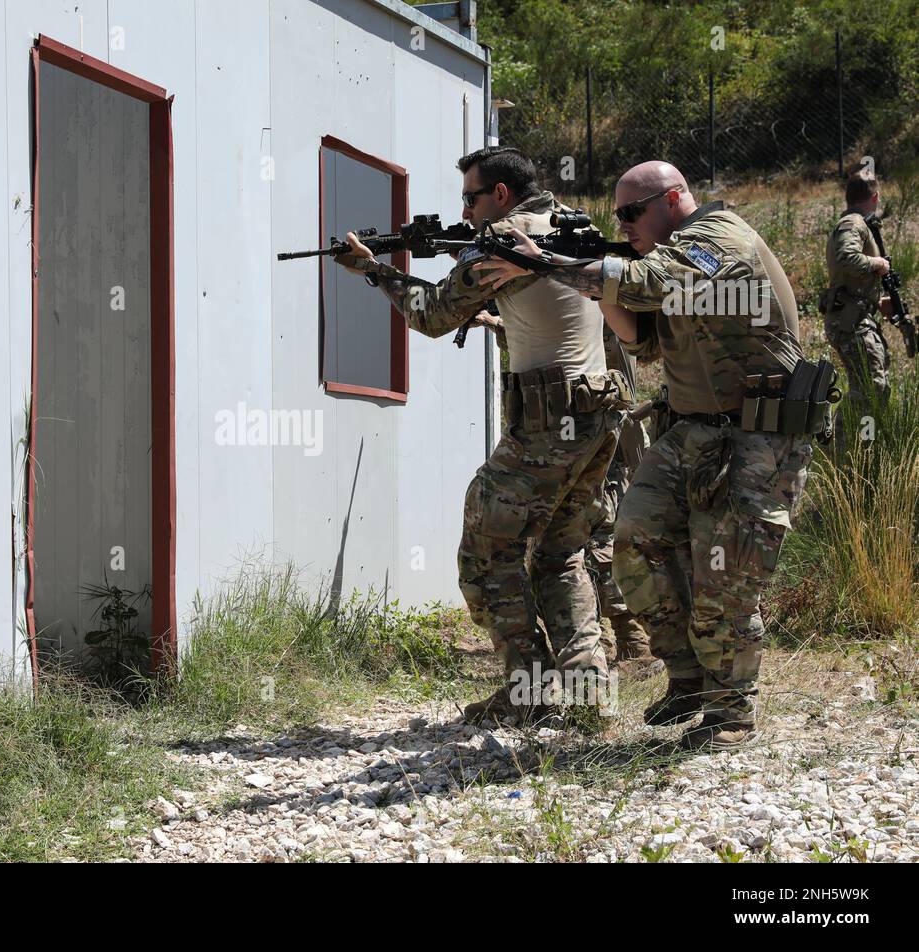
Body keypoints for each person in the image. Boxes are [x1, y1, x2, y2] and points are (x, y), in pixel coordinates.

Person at [473, 161, 818, 750]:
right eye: (619, 215)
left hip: (758, 436)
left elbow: (652, 281)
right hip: (692, 432)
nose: (624, 224)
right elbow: (643, 341)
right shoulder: (670, 256)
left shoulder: (715, 240)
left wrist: (547, 261)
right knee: (635, 541)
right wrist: (578, 275)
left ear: (675, 198)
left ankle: (730, 713)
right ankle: (687, 676)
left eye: (632, 213)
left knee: (724, 575)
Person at [335, 147, 626, 724]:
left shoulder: (498, 243)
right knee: (560, 555)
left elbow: (432, 315)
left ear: (500, 195)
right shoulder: (573, 224)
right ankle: (590, 692)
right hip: (600, 412)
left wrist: (373, 269)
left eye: (471, 198)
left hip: (549, 418)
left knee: (485, 556)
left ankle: (533, 692)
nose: (464, 210)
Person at [590, 326, 659, 679]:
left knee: (596, 540)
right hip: (599, 437)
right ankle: (608, 641)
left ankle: (628, 642)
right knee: (591, 540)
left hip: (600, 438)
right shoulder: (601, 307)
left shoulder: (596, 317)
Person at [821, 169, 892, 416]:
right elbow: (847, 257)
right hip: (850, 321)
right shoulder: (853, 223)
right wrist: (879, 264)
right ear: (875, 197)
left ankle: (862, 444)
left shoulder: (857, 223)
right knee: (869, 388)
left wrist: (876, 300)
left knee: (875, 385)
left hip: (857, 317)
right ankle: (843, 447)